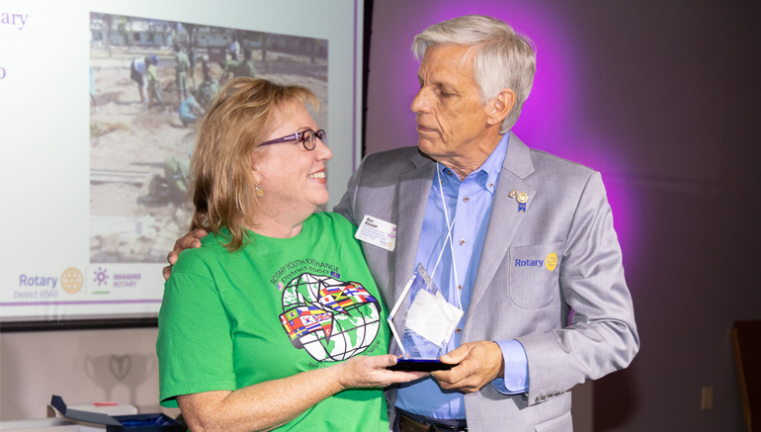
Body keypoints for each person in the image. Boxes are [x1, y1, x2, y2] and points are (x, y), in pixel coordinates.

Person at [166, 15, 639, 432]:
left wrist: (503, 359)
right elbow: (287, 236)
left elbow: (614, 333)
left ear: (498, 105)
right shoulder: (378, 178)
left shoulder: (569, 192)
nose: (417, 104)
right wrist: (206, 235)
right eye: (420, 84)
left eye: (442, 92)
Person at [157, 77, 425, 432]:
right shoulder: (200, 270)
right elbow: (210, 420)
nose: (325, 153)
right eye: (304, 139)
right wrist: (340, 377)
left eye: (319, 136)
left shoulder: (349, 233)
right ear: (251, 162)